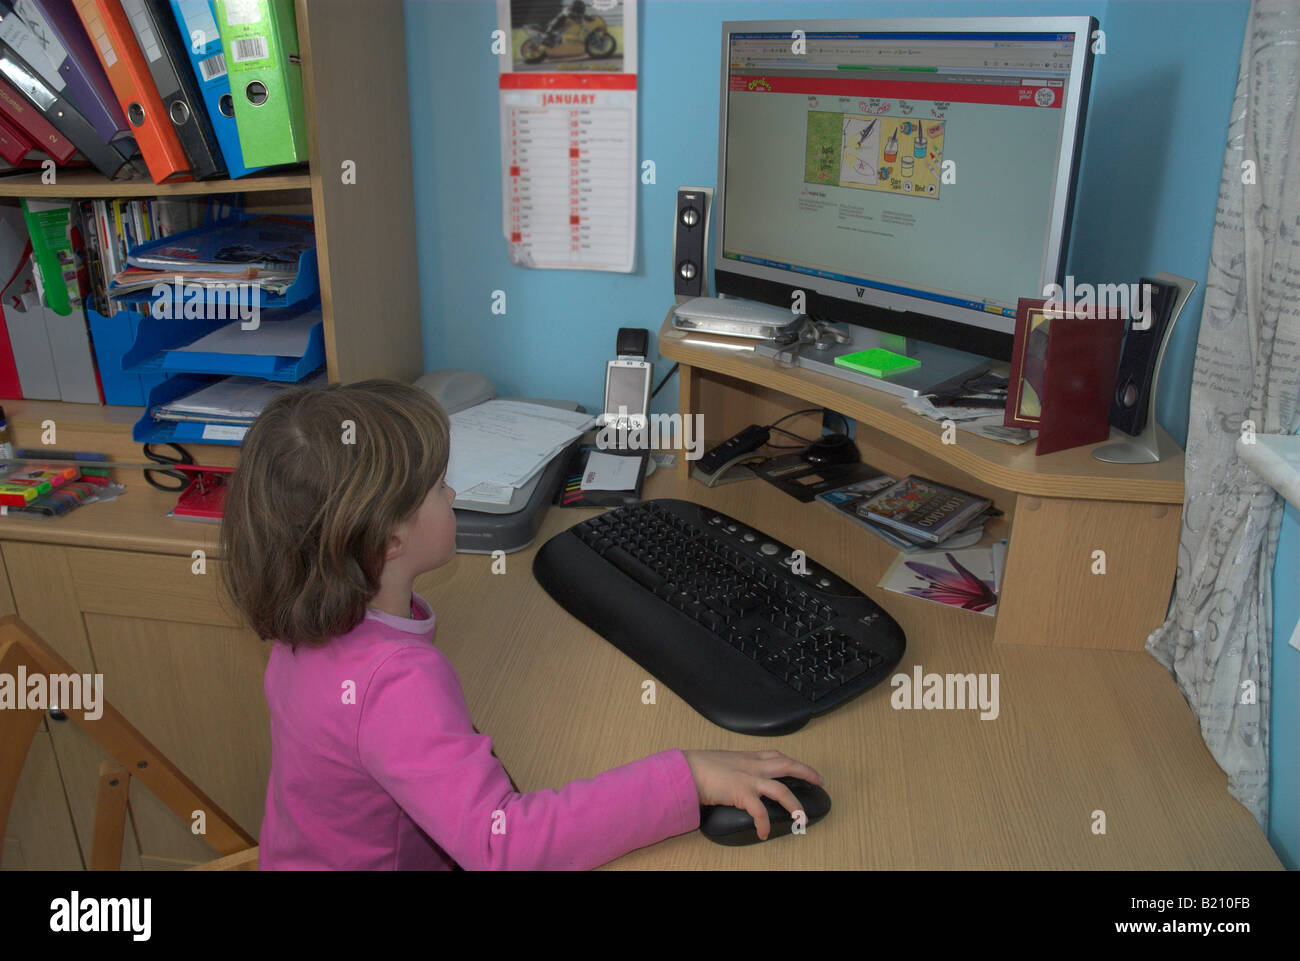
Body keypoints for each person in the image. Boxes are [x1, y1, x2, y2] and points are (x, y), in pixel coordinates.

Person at [220, 379, 822, 869]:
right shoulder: (393, 683)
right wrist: (684, 779)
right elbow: (503, 846)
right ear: (388, 539)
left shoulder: (306, 628)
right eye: (435, 486)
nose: (451, 492)